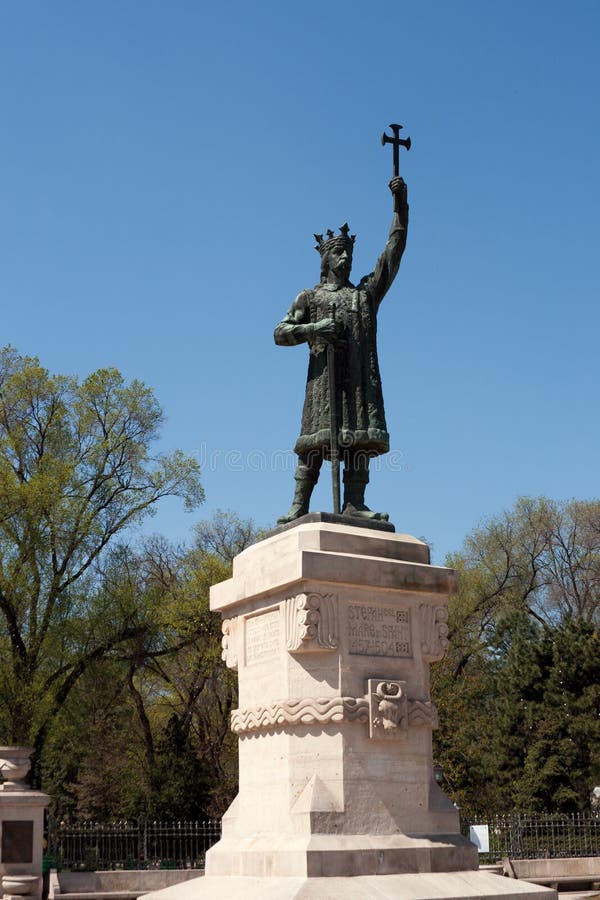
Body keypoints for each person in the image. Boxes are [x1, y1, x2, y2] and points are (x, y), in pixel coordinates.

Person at [274, 175, 409, 524]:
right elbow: (280, 332)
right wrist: (314, 329)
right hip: (323, 386)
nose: (346, 256)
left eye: (348, 252)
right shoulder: (310, 297)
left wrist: (400, 207)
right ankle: (299, 505)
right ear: (326, 259)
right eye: (338, 252)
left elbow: (392, 254)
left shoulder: (363, 295)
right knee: (313, 442)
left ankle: (354, 502)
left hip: (358, 383)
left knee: (358, 441)